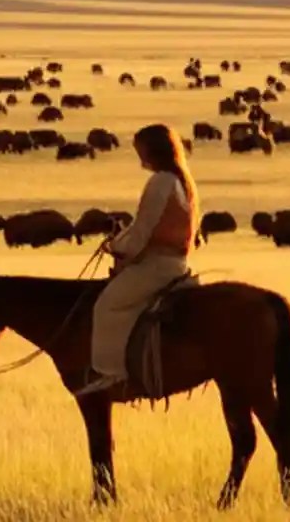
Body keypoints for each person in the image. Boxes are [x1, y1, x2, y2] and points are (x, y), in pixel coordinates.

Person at [75, 124, 199, 396]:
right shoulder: (180, 181)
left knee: (106, 305)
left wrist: (118, 248)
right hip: (174, 263)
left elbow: (143, 231)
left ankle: (112, 374)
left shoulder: (160, 182)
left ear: (152, 149)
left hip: (157, 266)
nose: (138, 155)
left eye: (140, 149)